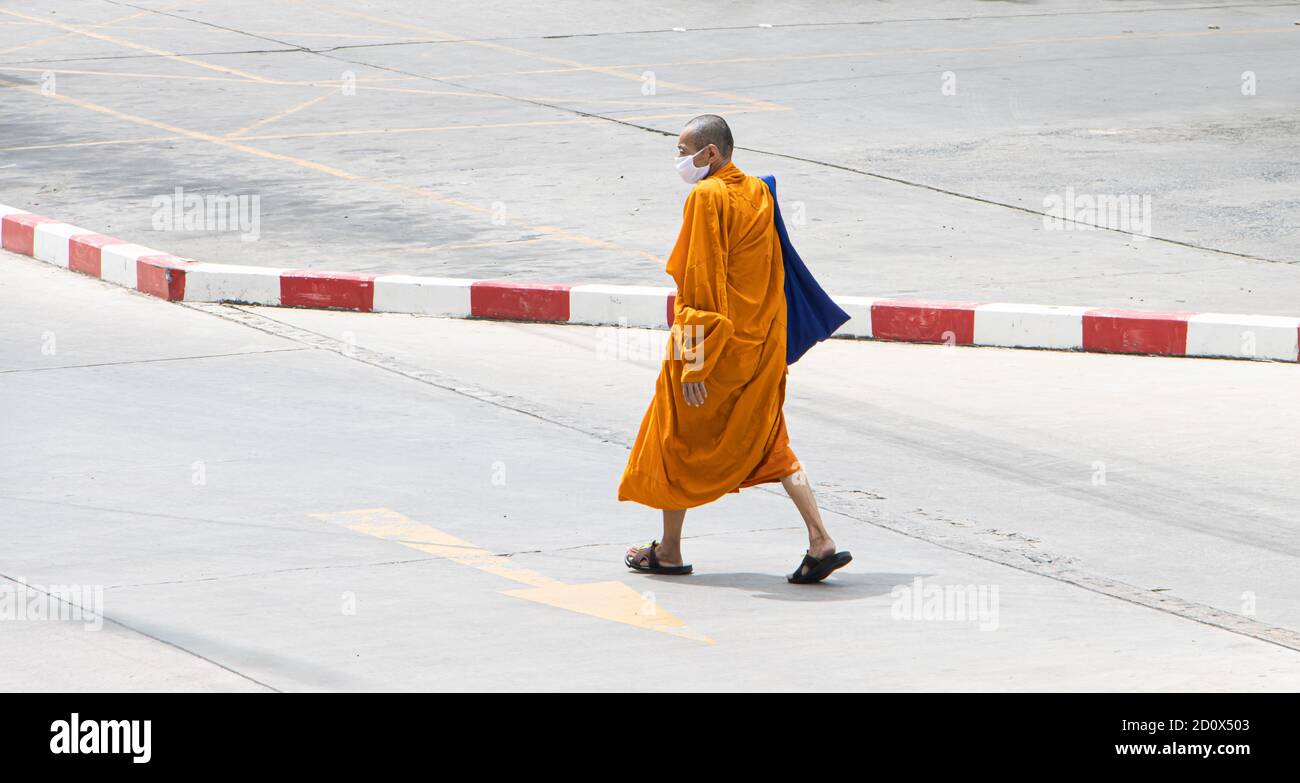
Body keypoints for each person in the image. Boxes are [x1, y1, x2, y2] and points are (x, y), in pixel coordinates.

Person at [618, 114, 852, 584]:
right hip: (760, 348)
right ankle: (820, 540)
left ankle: (669, 550)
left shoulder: (706, 197)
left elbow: (702, 287)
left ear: (711, 154)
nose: (680, 162)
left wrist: (694, 365)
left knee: (673, 439)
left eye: (685, 153)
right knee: (773, 444)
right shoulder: (760, 191)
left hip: (713, 352)